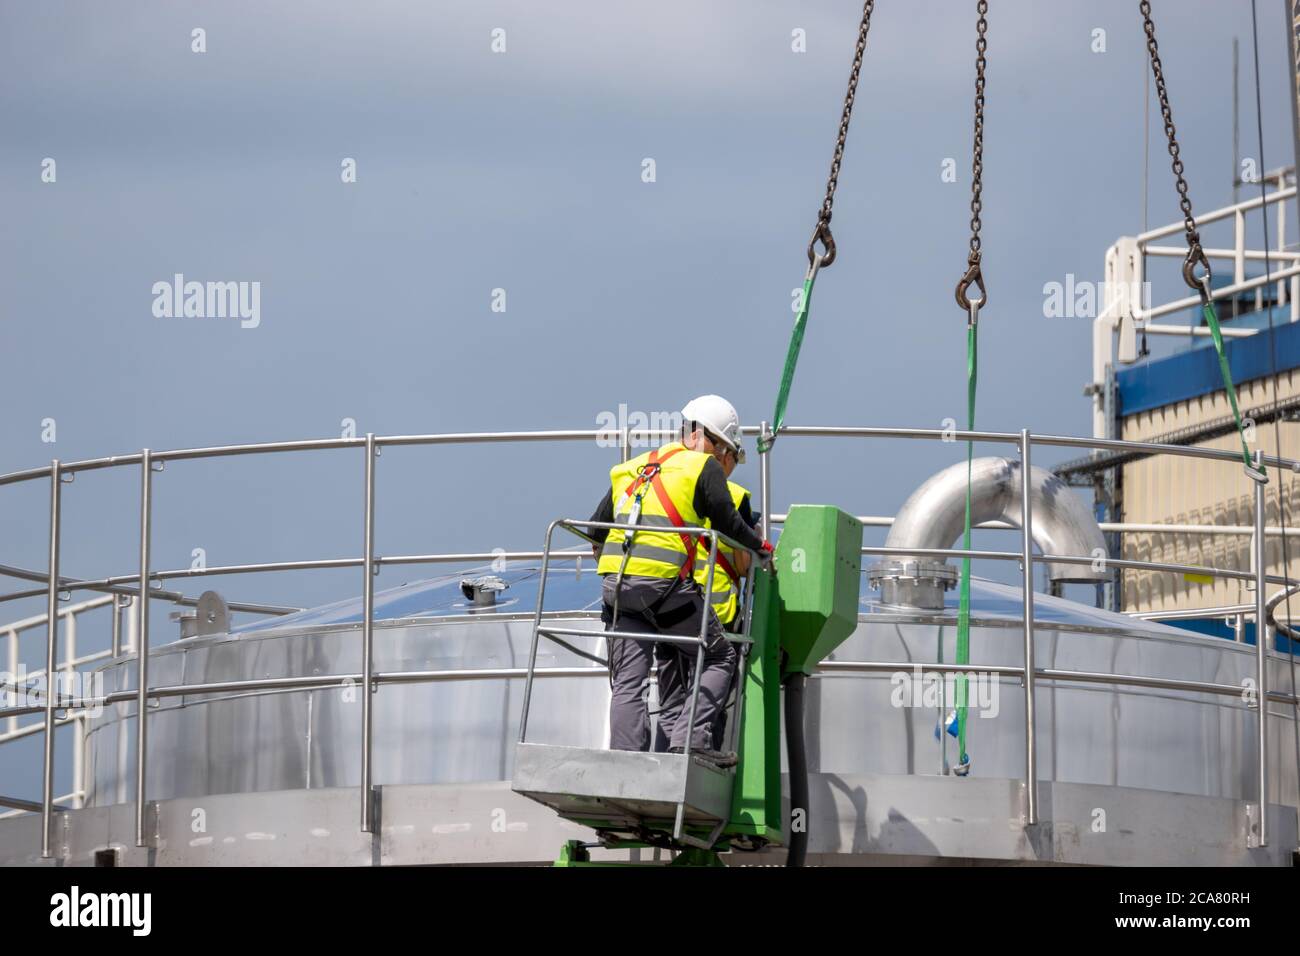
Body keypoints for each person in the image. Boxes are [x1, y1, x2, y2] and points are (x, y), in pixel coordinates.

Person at [587, 395, 769, 763]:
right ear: (708, 439)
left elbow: (595, 530)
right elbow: (727, 523)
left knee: (628, 682)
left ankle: (627, 763)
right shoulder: (702, 468)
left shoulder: (635, 467)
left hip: (617, 590)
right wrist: (762, 547)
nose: (723, 461)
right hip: (665, 589)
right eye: (725, 451)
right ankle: (691, 744)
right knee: (719, 657)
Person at [654, 442, 757, 753]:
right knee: (710, 696)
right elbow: (744, 564)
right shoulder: (736, 497)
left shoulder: (675, 488)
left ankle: (668, 759)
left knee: (672, 695)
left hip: (670, 604)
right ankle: (700, 754)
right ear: (724, 459)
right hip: (715, 615)